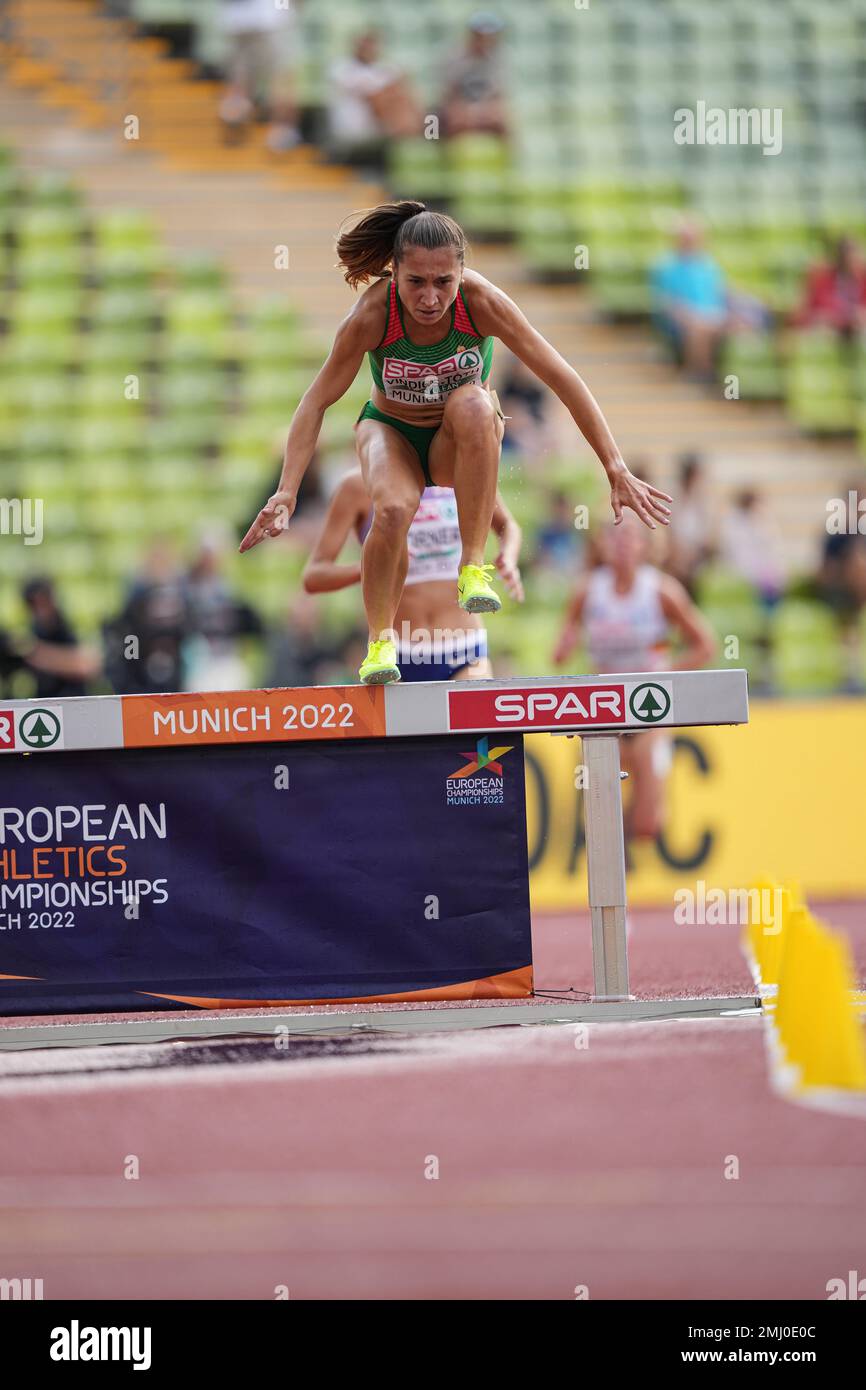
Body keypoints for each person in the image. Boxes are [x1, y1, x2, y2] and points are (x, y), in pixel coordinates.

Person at [240, 200, 671, 685]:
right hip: (391, 431)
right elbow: (316, 400)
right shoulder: (372, 315)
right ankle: (381, 644)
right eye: (415, 283)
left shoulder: (482, 303)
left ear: (461, 273)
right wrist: (287, 491)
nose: (429, 298)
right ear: (394, 273)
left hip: (454, 443)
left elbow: (561, 376)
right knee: (396, 508)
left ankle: (472, 566)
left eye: (443, 282)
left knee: (476, 403)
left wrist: (613, 466)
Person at [553, 514, 715, 841]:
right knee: (601, 819)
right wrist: (567, 643)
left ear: (643, 545)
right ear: (601, 545)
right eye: (613, 537)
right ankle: (615, 859)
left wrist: (664, 673)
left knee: (647, 825)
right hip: (605, 711)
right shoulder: (588, 590)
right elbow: (560, 650)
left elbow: (705, 646)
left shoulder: (661, 591)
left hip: (648, 711)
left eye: (628, 537)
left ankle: (631, 834)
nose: (621, 544)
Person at [303, 469, 523, 681]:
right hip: (396, 653)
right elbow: (314, 577)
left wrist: (509, 558)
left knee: (475, 717)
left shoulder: (463, 471)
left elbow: (508, 525)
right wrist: (375, 568)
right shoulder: (357, 485)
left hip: (464, 648)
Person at [328, 30, 422, 166]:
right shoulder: (341, 68)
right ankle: (410, 132)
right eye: (364, 45)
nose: (368, 49)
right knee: (388, 96)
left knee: (402, 96)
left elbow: (402, 91)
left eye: (371, 45)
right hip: (355, 132)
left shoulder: (386, 68)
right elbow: (373, 96)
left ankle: (412, 132)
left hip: (383, 131)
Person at [218, 0, 303, 152]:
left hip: (236, 20)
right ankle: (281, 130)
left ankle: (234, 108)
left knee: (239, 72)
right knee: (281, 75)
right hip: (271, 18)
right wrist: (284, 9)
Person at [651, 222, 729, 379]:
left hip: (712, 313)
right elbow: (666, 299)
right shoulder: (666, 265)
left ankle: (730, 375)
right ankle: (699, 372)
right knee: (699, 326)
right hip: (682, 314)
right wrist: (689, 314)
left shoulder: (708, 264)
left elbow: (720, 291)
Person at [440, 12, 508, 139]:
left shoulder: (498, 58)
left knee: (501, 120)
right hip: (460, 104)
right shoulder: (454, 57)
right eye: (481, 36)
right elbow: (450, 93)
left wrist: (483, 111)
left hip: (485, 104)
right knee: (458, 120)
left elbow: (497, 94)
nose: (485, 41)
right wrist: (467, 111)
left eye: (490, 37)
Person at [792, 235, 866, 339]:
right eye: (843, 254)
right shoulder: (821, 279)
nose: (848, 260)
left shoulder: (863, 279)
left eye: (852, 254)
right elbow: (803, 313)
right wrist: (830, 318)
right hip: (828, 331)